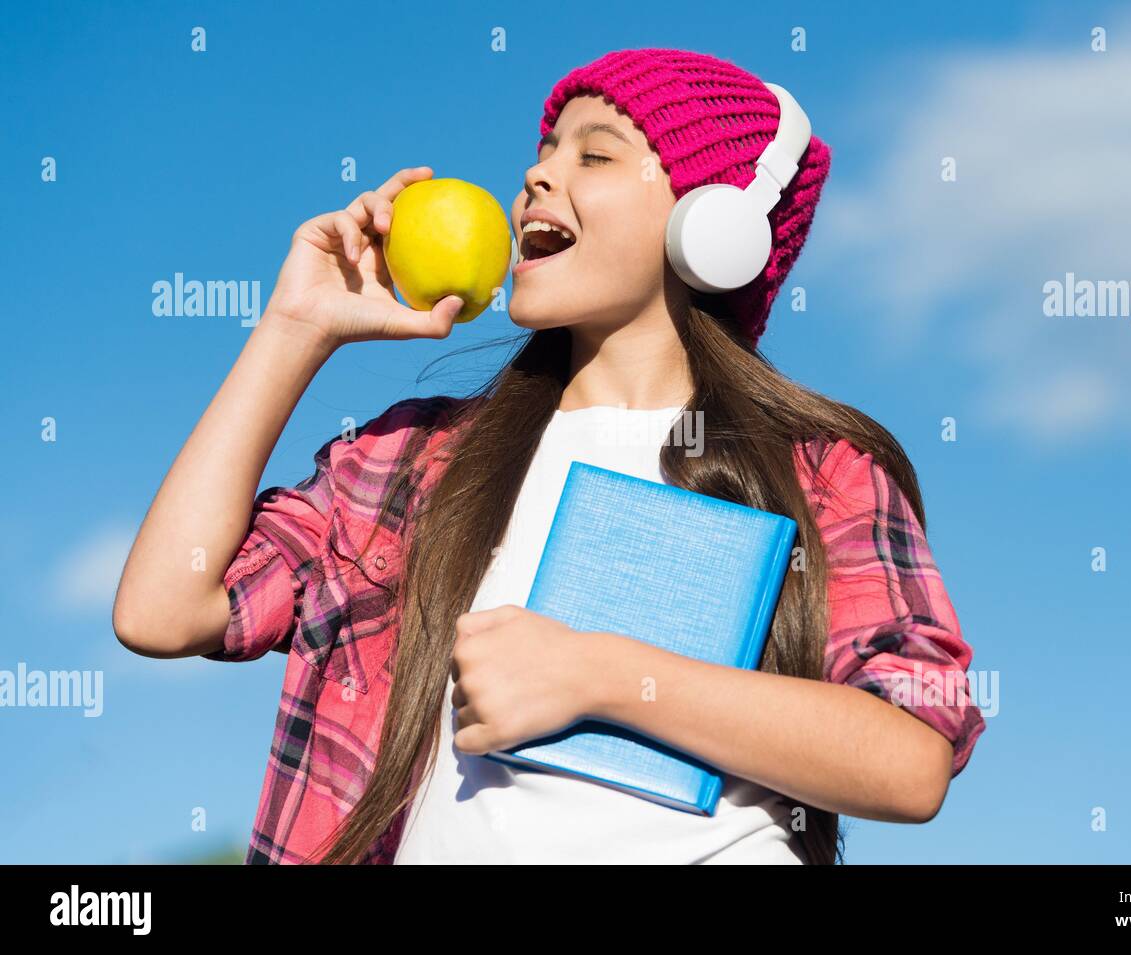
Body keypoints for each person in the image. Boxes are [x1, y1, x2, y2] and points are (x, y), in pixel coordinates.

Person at [113, 48, 985, 865]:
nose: (537, 174)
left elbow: (909, 757)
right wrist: (296, 327)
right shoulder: (412, 461)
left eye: (594, 156)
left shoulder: (817, 474)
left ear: (713, 226)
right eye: (543, 149)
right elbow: (165, 609)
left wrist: (602, 675)